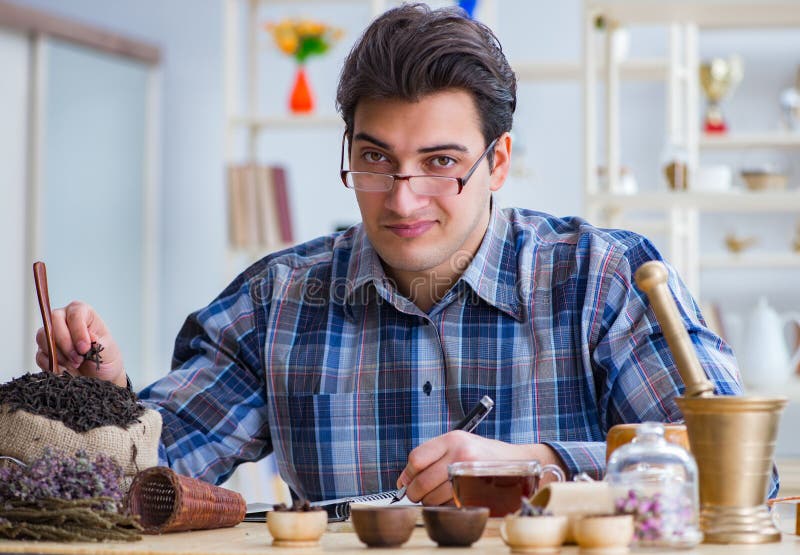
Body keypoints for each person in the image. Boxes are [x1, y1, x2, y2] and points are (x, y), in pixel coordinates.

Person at [35, 3, 761, 504]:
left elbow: (735, 466)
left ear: (498, 161)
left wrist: (538, 466)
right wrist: (103, 395)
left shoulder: (600, 279)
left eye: (441, 162)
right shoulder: (277, 302)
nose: (403, 198)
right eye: (376, 158)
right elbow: (142, 480)